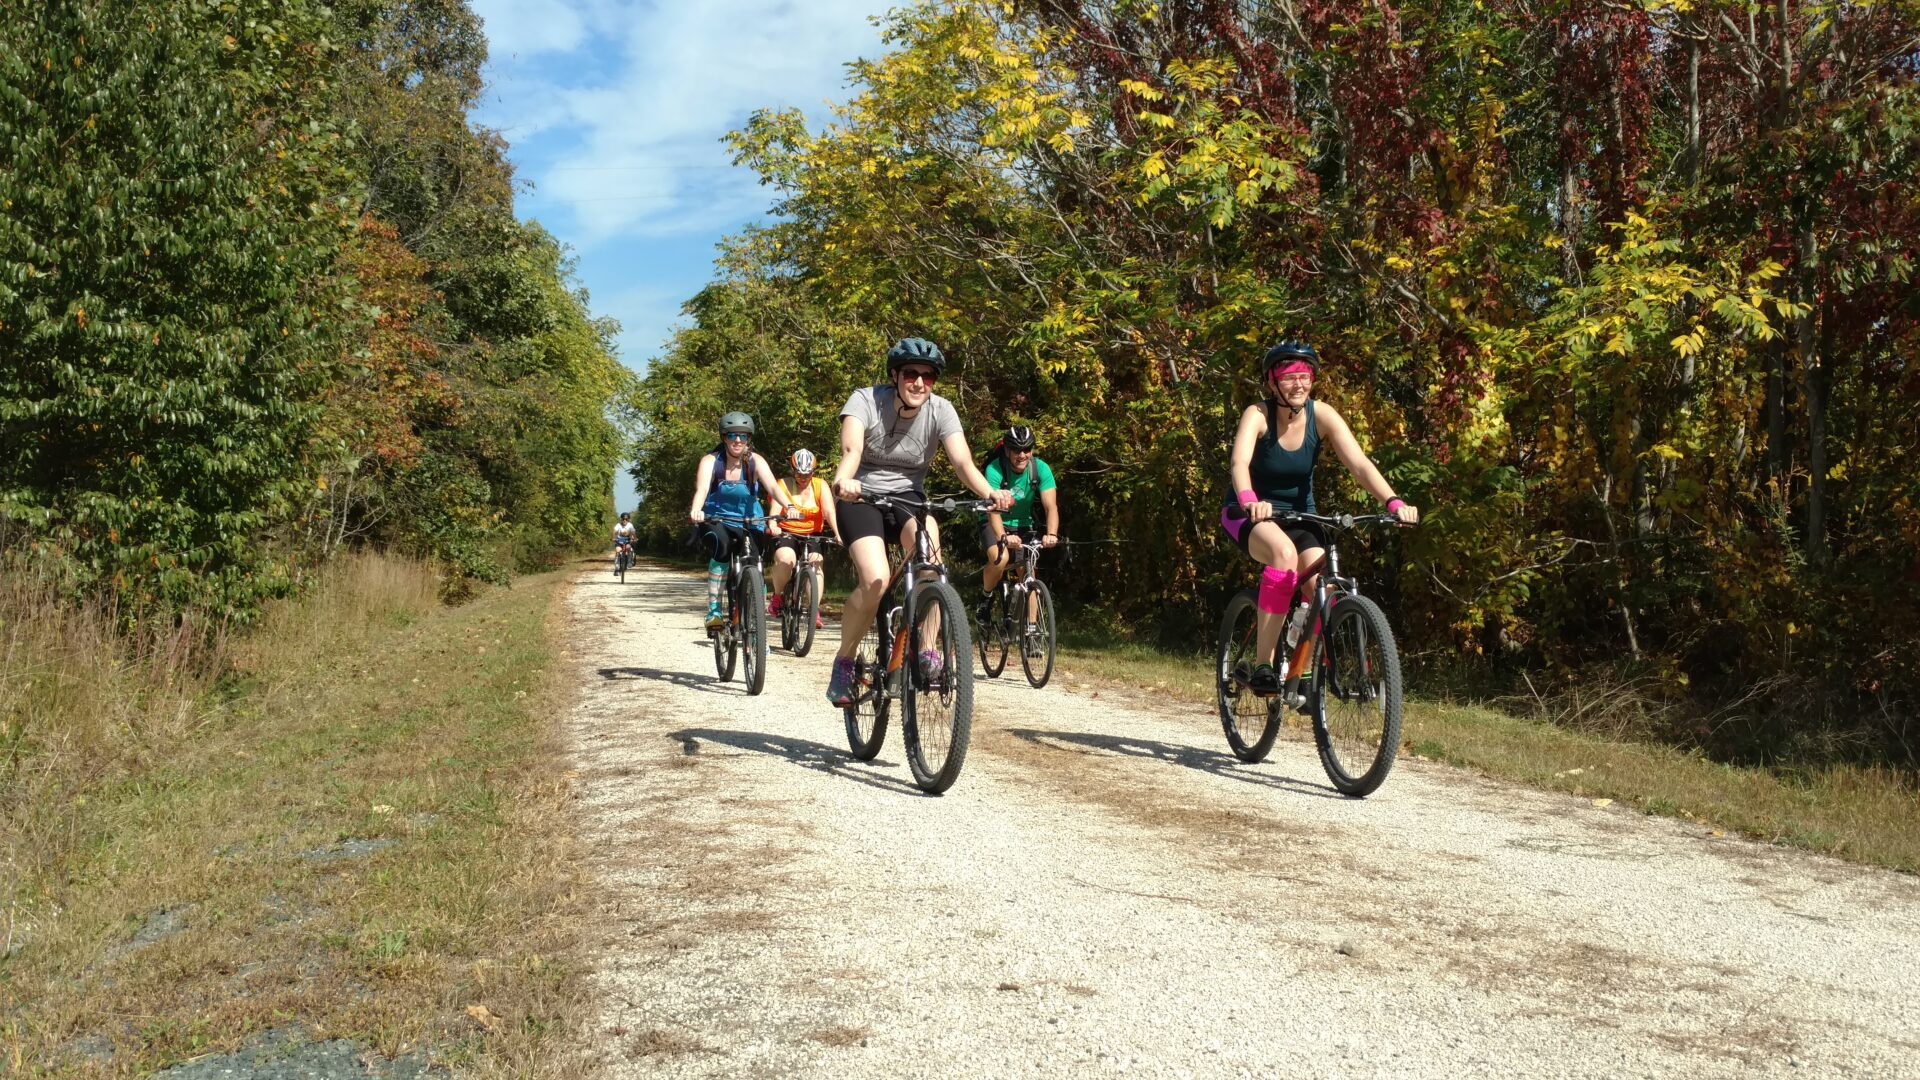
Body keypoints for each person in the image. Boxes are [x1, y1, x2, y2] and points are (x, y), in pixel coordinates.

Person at [1220, 340, 1418, 695]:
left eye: (1305, 375)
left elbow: (1359, 464)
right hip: (1249, 512)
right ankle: (1264, 664)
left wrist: (1392, 501)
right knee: (1283, 556)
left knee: (1320, 585)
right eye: (1288, 376)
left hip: (1300, 517)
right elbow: (1239, 463)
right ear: (1272, 382)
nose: (1298, 384)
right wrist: (1250, 500)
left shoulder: (1322, 414)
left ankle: (1303, 668)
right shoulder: (1258, 414)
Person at [825, 338, 1013, 705]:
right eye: (911, 374)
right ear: (894, 375)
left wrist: (989, 493)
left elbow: (962, 463)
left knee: (933, 565)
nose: (919, 383)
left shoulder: (941, 411)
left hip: (909, 498)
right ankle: (844, 661)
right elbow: (852, 450)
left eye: (928, 377)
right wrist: (843, 481)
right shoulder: (864, 400)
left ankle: (927, 652)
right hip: (859, 496)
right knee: (876, 577)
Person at [688, 412, 798, 631]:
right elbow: (701, 489)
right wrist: (696, 510)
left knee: (754, 566)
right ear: (724, 438)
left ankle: (755, 627)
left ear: (749, 439)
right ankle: (714, 611)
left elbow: (773, 488)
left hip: (750, 520)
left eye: (743, 436)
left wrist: (790, 506)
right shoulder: (711, 462)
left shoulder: (755, 462)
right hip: (716, 518)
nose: (738, 440)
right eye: (732, 436)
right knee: (722, 547)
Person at [976, 425, 1060, 652]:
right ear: (1007, 451)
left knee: (1029, 571)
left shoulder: (1040, 469)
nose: (1022, 455)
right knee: (1000, 559)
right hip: (995, 521)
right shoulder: (995, 469)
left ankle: (1031, 632)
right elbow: (992, 510)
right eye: (1016, 450)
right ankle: (985, 599)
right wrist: (1003, 537)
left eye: (1027, 449)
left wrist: (1051, 535)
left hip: (1025, 525)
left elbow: (1050, 507)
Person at [768, 448, 839, 629]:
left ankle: (814, 608)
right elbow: (775, 512)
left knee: (817, 562)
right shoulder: (782, 484)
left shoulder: (820, 485)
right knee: (786, 558)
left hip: (812, 533)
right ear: (793, 470)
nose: (803, 478)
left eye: (807, 474)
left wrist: (838, 534)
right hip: (787, 532)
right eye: (799, 473)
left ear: (813, 472)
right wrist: (773, 526)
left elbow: (829, 512)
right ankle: (777, 596)